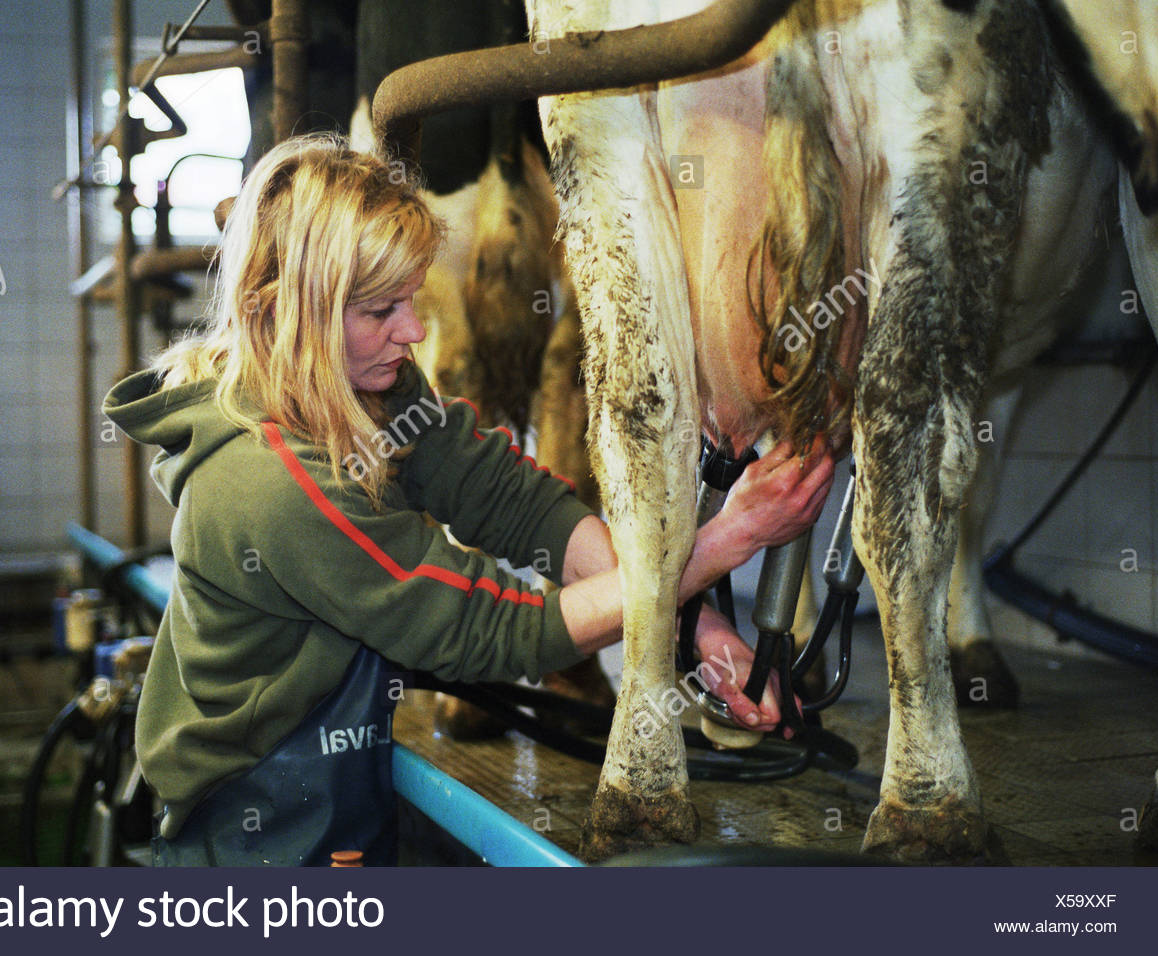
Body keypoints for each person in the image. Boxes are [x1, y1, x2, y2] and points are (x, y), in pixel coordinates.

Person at [103, 133, 834, 867]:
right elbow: (491, 629)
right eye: (380, 310)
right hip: (257, 829)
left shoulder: (359, 383)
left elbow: (505, 498)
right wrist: (722, 544)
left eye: (410, 300)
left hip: (325, 787)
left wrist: (696, 624)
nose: (413, 331)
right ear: (278, 311)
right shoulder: (269, 484)